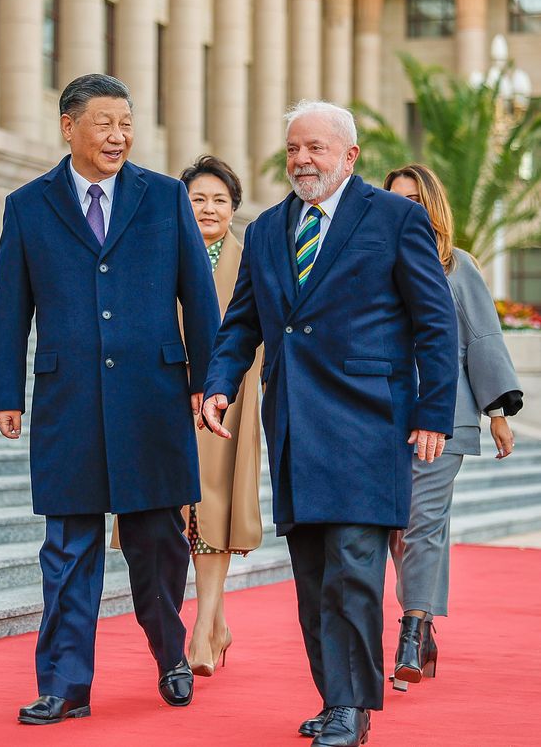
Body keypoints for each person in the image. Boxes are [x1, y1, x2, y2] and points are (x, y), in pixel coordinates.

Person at [200, 100, 458, 747]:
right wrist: (219, 384)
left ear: (350, 155)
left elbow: (435, 322)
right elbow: (242, 323)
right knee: (314, 577)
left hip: (369, 424)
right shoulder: (266, 230)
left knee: (352, 572)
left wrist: (433, 412)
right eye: (293, 148)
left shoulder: (395, 218)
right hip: (294, 424)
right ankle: (335, 697)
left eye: (315, 147)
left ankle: (349, 706)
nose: (302, 160)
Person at [0, 74, 220, 726]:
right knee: (67, 550)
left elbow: (198, 297)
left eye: (126, 124)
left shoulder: (165, 197)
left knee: (158, 545)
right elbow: (11, 308)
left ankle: (171, 655)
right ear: (68, 127)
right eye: (104, 123)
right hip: (68, 403)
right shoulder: (28, 206)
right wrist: (6, 391)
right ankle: (65, 684)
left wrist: (209, 381)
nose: (118, 136)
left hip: (152, 399)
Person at [384, 163, 522, 691]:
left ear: (432, 206)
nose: (405, 208)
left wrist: (497, 413)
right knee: (400, 528)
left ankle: (411, 632)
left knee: (421, 521)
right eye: (396, 199)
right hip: (386, 415)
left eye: (415, 199)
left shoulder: (456, 265)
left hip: (449, 416)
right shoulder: (375, 260)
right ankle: (424, 625)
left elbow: (483, 338)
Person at [179, 155, 263, 677]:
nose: (209, 208)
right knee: (178, 515)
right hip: (167, 399)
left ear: (234, 209)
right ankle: (220, 624)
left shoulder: (250, 258)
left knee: (212, 512)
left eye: (220, 200)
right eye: (198, 199)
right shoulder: (162, 252)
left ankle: (202, 630)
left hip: (226, 401)